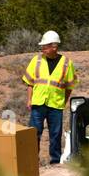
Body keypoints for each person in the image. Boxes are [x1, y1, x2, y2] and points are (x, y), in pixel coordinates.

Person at [22, 30, 78, 165]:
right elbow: (30, 82)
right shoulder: (36, 60)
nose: (42, 48)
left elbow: (69, 87)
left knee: (55, 135)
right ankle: (32, 161)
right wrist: (29, 99)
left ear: (54, 47)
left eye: (45, 46)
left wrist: (63, 101)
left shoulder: (66, 63)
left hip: (55, 105)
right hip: (38, 103)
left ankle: (55, 162)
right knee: (34, 134)